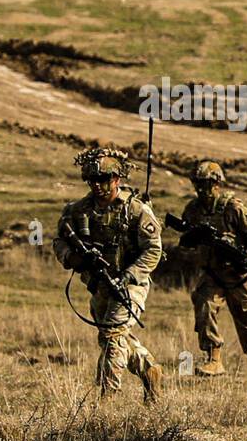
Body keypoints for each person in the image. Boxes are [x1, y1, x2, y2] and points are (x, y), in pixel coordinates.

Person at [52, 147, 163, 402]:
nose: (97, 186)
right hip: (98, 284)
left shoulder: (135, 210)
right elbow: (59, 240)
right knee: (114, 335)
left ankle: (107, 399)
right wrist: (72, 257)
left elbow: (153, 250)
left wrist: (129, 275)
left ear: (117, 179)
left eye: (103, 180)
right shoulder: (77, 211)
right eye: (92, 181)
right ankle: (149, 369)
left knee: (112, 335)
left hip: (131, 284)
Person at [178, 161, 247, 380]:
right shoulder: (193, 210)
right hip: (212, 272)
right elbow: (186, 240)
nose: (202, 189)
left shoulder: (234, 208)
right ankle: (213, 358)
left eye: (207, 184)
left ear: (217, 183)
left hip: (238, 274)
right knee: (204, 303)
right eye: (198, 184)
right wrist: (191, 240)